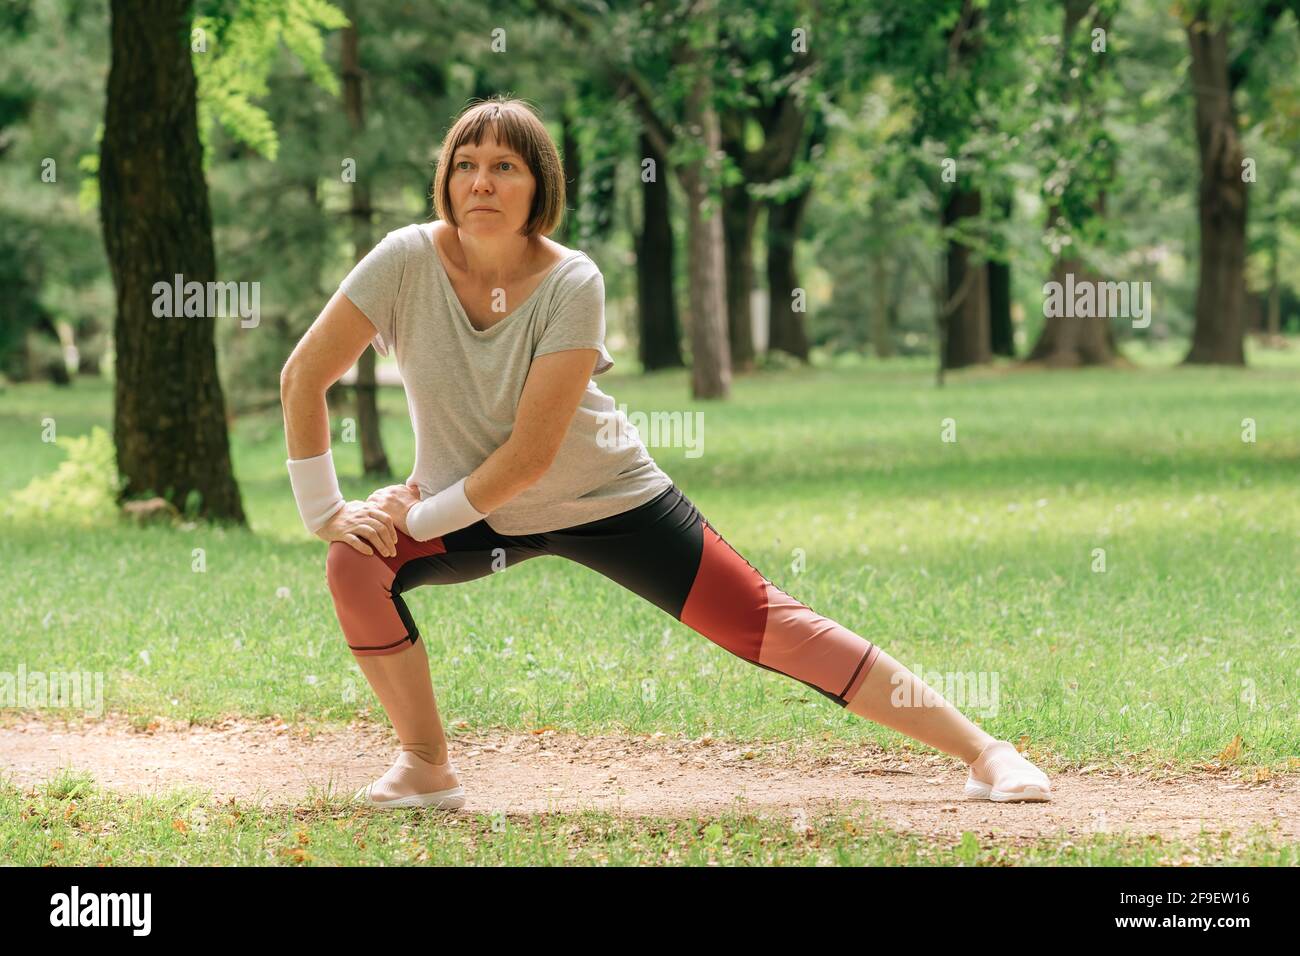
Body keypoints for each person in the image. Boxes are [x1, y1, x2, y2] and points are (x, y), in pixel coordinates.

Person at [279, 96, 1051, 810]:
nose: (481, 181)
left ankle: (986, 753)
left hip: (603, 498)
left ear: (538, 185)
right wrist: (328, 515)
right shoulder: (404, 259)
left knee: (767, 624)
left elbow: (529, 457)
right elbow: (303, 376)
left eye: (504, 166)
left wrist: (415, 508)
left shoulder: (570, 280)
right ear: (445, 180)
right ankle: (427, 766)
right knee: (355, 564)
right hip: (471, 506)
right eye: (465, 164)